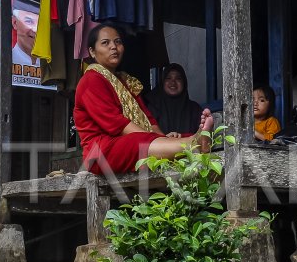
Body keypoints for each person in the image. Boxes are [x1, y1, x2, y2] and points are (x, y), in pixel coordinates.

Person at [73, 23, 213, 175]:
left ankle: (193, 140)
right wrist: (160, 141)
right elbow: (117, 125)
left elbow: (149, 120)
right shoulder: (90, 80)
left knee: (172, 137)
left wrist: (163, 139)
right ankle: (194, 143)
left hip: (127, 142)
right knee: (138, 142)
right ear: (92, 52)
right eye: (105, 43)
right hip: (100, 152)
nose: (113, 47)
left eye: (118, 42)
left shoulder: (126, 82)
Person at [148, 63, 203, 137]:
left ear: (184, 83)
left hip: (188, 147)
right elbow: (146, 136)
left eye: (178, 78)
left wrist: (181, 136)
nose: (173, 82)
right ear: (162, 82)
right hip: (159, 147)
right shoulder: (152, 106)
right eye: (168, 78)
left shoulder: (195, 109)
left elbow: (201, 137)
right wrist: (165, 139)